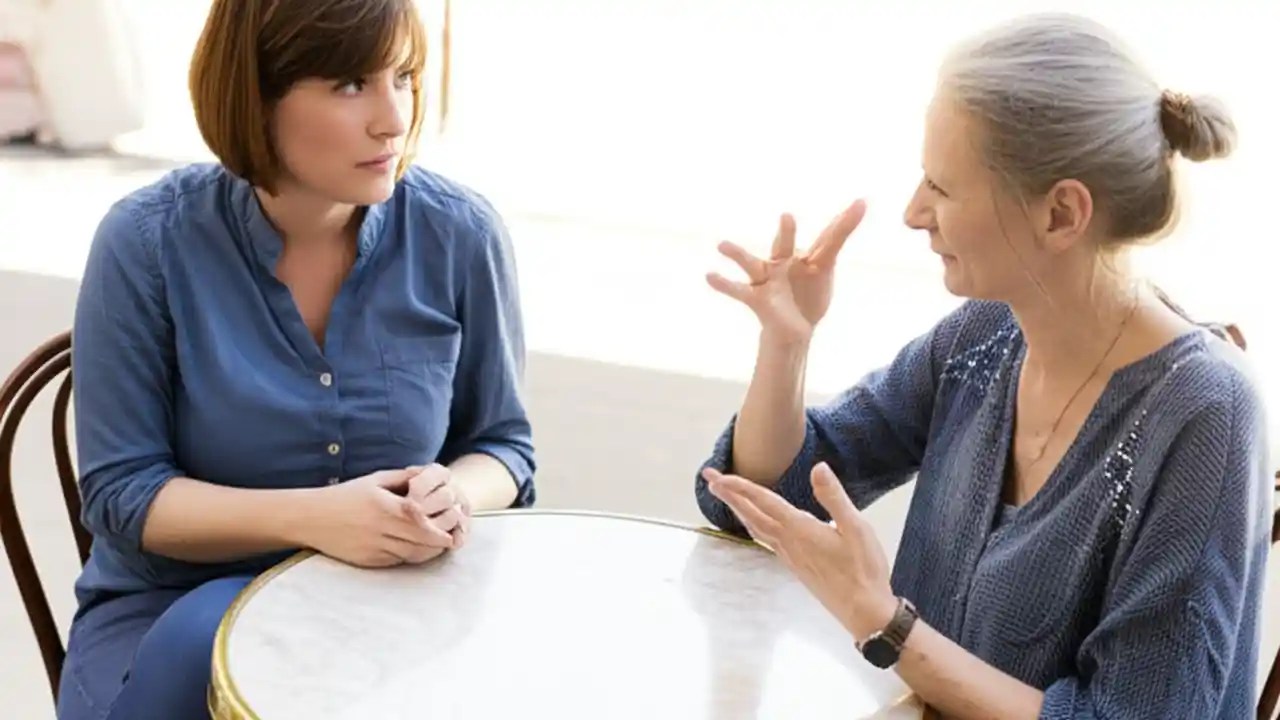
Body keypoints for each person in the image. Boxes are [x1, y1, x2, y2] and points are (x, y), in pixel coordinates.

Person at [696, 12, 1271, 720]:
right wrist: (786, 346)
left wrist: (887, 625)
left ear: (1061, 214)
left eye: (941, 186)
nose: (913, 213)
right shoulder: (986, 338)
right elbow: (760, 500)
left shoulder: (1204, 412)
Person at [58, 0, 534, 717]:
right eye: (350, 85)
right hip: (168, 610)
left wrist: (454, 493)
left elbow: (503, 447)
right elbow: (123, 493)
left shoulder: (459, 234)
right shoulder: (147, 243)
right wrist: (317, 517)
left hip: (386, 606)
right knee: (192, 656)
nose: (393, 118)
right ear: (255, 92)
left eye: (403, 76)